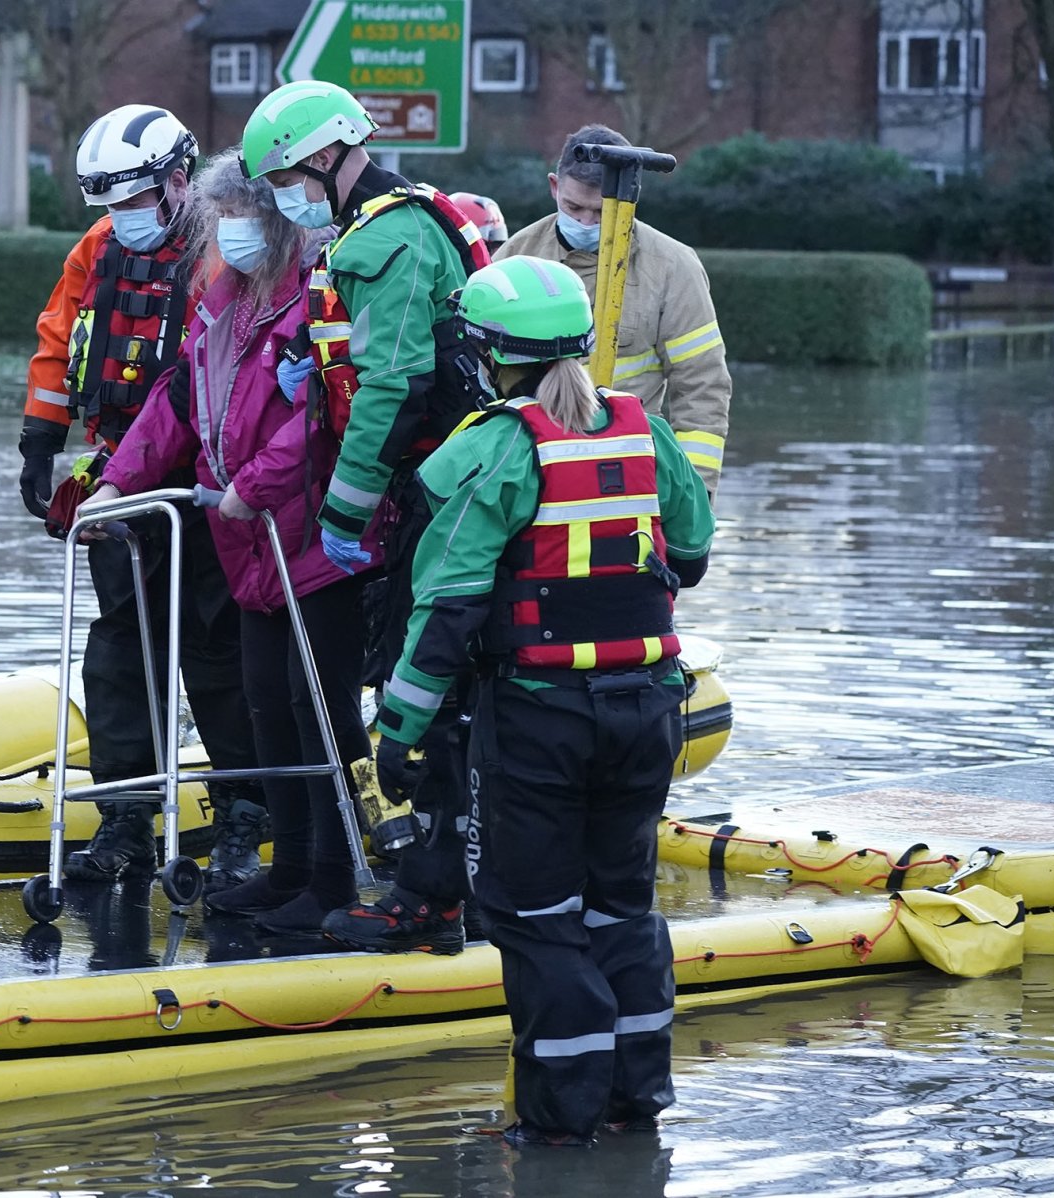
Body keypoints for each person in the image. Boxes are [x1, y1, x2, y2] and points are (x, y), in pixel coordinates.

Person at [375, 256, 713, 1145]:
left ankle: (560, 1127)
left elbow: (444, 612)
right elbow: (694, 549)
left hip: (539, 718)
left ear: (489, 357)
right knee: (622, 913)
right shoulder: (644, 432)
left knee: (532, 918)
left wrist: (399, 731)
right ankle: (635, 1104)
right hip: (648, 709)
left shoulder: (487, 448)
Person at [88, 148, 381, 934]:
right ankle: (289, 868)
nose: (229, 233)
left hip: (310, 539)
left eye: (242, 217)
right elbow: (177, 401)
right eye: (225, 219)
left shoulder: (315, 300)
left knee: (314, 704)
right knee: (265, 706)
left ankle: (335, 870)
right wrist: (119, 481)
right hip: (245, 541)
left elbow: (314, 421)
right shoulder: (224, 302)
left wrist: (252, 486)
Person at [240, 79, 492, 953]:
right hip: (430, 488)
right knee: (416, 689)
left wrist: (344, 508)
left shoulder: (385, 235)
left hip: (431, 494)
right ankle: (442, 893)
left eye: (283, 179)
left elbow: (394, 382)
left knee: (420, 696)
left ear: (319, 159)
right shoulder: (386, 226)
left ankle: (434, 902)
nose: (283, 199)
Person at [16, 105, 263, 890]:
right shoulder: (100, 251)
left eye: (131, 201)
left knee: (219, 653)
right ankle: (126, 812)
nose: (121, 221)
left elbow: (216, 374)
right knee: (122, 648)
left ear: (178, 182)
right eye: (110, 206)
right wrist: (39, 444)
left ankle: (244, 814)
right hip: (123, 478)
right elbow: (60, 344)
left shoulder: (224, 251)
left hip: (211, 485)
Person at [499, 124, 730, 496]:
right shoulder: (515, 257)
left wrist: (694, 500)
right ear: (554, 187)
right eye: (573, 207)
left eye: (601, 211)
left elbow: (702, 388)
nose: (587, 223)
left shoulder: (672, 267)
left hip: (628, 474)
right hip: (529, 471)